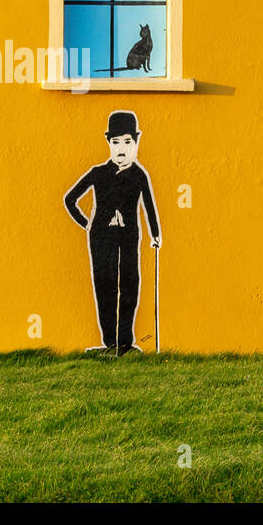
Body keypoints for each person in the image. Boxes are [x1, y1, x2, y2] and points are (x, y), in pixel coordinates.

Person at [64, 110, 161, 355]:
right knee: (105, 286)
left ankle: (125, 344)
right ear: (108, 142)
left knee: (129, 285)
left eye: (127, 142)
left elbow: (148, 206)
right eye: (116, 142)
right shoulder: (98, 173)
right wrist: (87, 224)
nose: (121, 148)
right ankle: (109, 343)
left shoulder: (139, 175)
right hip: (101, 239)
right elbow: (70, 199)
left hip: (129, 237)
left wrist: (155, 233)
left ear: (136, 142)